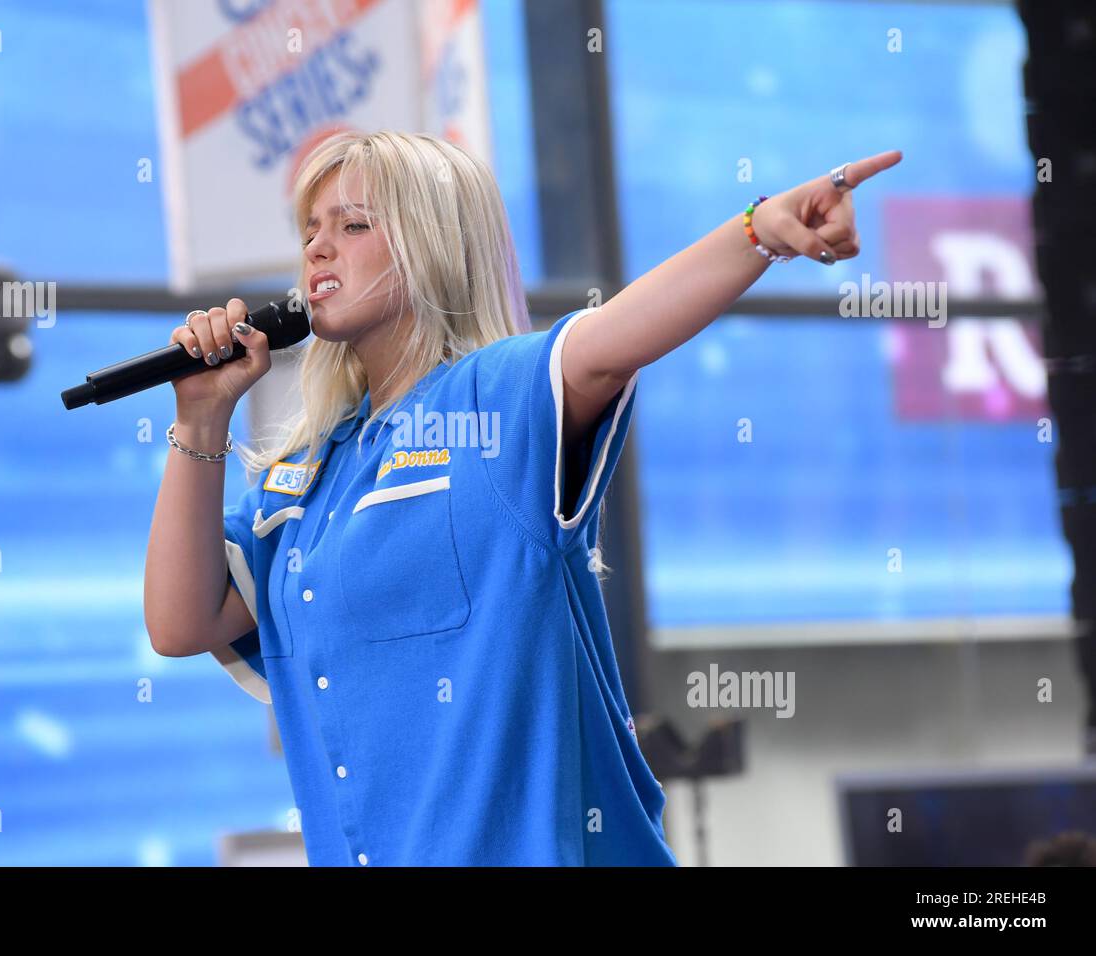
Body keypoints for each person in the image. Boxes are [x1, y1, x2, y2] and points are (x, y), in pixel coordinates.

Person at [144, 130, 900, 866]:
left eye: (355, 224)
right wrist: (200, 416)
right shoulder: (308, 473)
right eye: (311, 228)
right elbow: (180, 624)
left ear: (434, 244)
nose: (317, 247)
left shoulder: (492, 398)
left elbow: (615, 340)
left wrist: (758, 232)